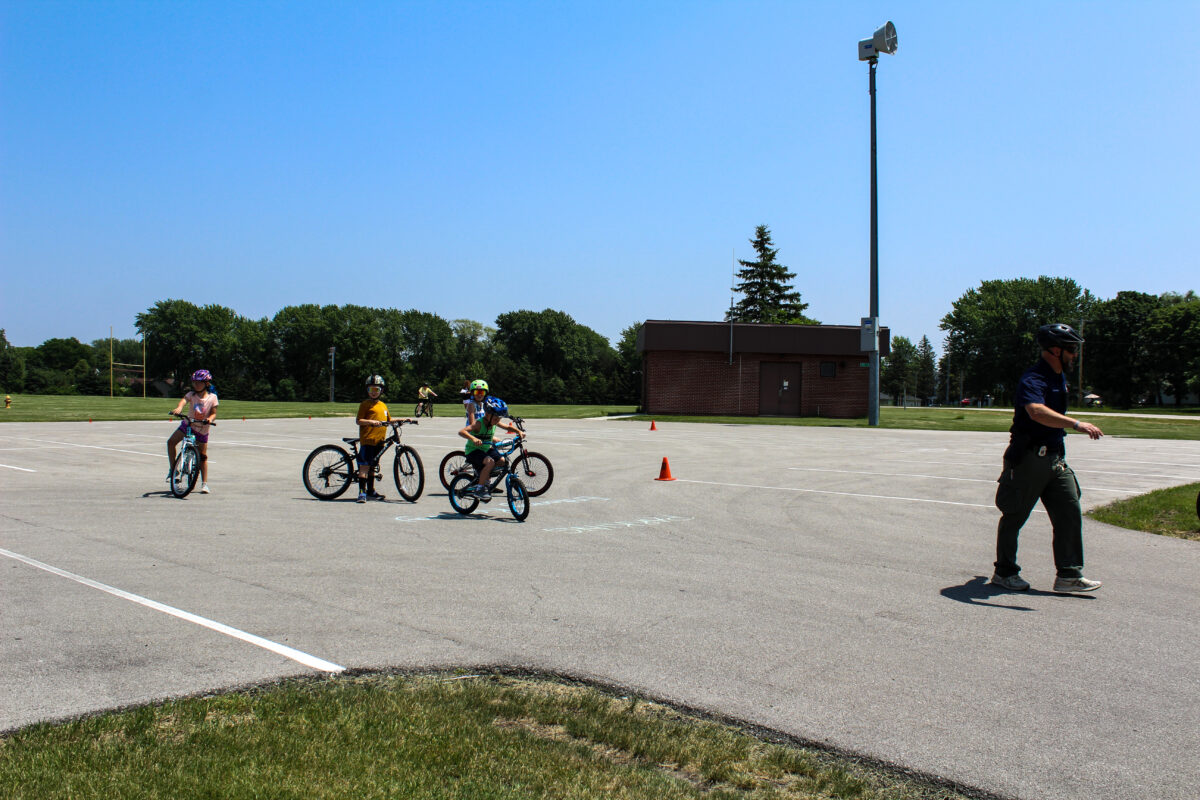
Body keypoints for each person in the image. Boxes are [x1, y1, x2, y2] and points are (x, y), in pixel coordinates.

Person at [991, 324, 1104, 593]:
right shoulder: (1034, 378)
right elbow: (1036, 411)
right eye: (1072, 349)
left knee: (1069, 511)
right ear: (1056, 350)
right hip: (1030, 458)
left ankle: (1068, 575)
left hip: (1055, 460)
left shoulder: (1059, 377)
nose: (1075, 355)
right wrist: (1077, 424)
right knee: (1014, 516)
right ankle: (1004, 572)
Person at [355, 374, 411, 503]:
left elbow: (388, 420)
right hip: (368, 439)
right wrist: (371, 422)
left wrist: (404, 419)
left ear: (381, 391)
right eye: (371, 390)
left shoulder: (383, 405)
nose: (373, 393)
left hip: (379, 441)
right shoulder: (365, 404)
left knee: (373, 466)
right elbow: (359, 421)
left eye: (376, 390)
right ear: (367, 390)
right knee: (364, 466)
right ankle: (362, 493)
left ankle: (371, 490)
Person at [458, 395, 523, 498]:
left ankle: (484, 475)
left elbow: (507, 426)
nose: (498, 420)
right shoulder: (479, 424)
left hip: (486, 449)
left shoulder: (494, 421)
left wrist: (518, 431)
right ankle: (480, 488)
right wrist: (474, 439)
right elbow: (462, 432)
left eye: (499, 418)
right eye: (496, 417)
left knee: (502, 461)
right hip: (473, 451)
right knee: (490, 462)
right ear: (488, 414)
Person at [167, 369, 218, 494]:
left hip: (202, 429)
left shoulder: (212, 398)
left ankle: (204, 484)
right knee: (171, 442)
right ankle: (174, 469)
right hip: (188, 425)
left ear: (206, 383)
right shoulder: (191, 395)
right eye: (194, 382)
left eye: (199, 383)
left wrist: (209, 419)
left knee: (203, 457)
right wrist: (179, 408)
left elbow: (213, 413)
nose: (196, 385)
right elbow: (184, 401)